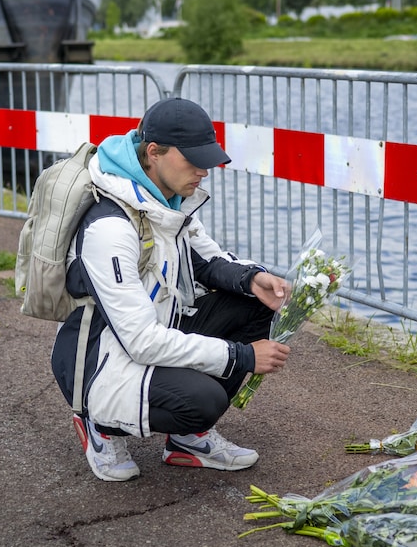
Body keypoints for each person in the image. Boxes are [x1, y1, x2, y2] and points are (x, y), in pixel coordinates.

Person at [51, 97, 291, 482]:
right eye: (194, 159)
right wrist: (242, 356)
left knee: (255, 301)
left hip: (148, 331)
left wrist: (253, 279)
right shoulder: (111, 227)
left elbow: (207, 262)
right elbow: (141, 341)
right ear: (153, 152)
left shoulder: (163, 200)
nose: (204, 171)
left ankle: (187, 440)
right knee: (203, 400)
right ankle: (99, 423)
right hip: (97, 360)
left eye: (207, 159)